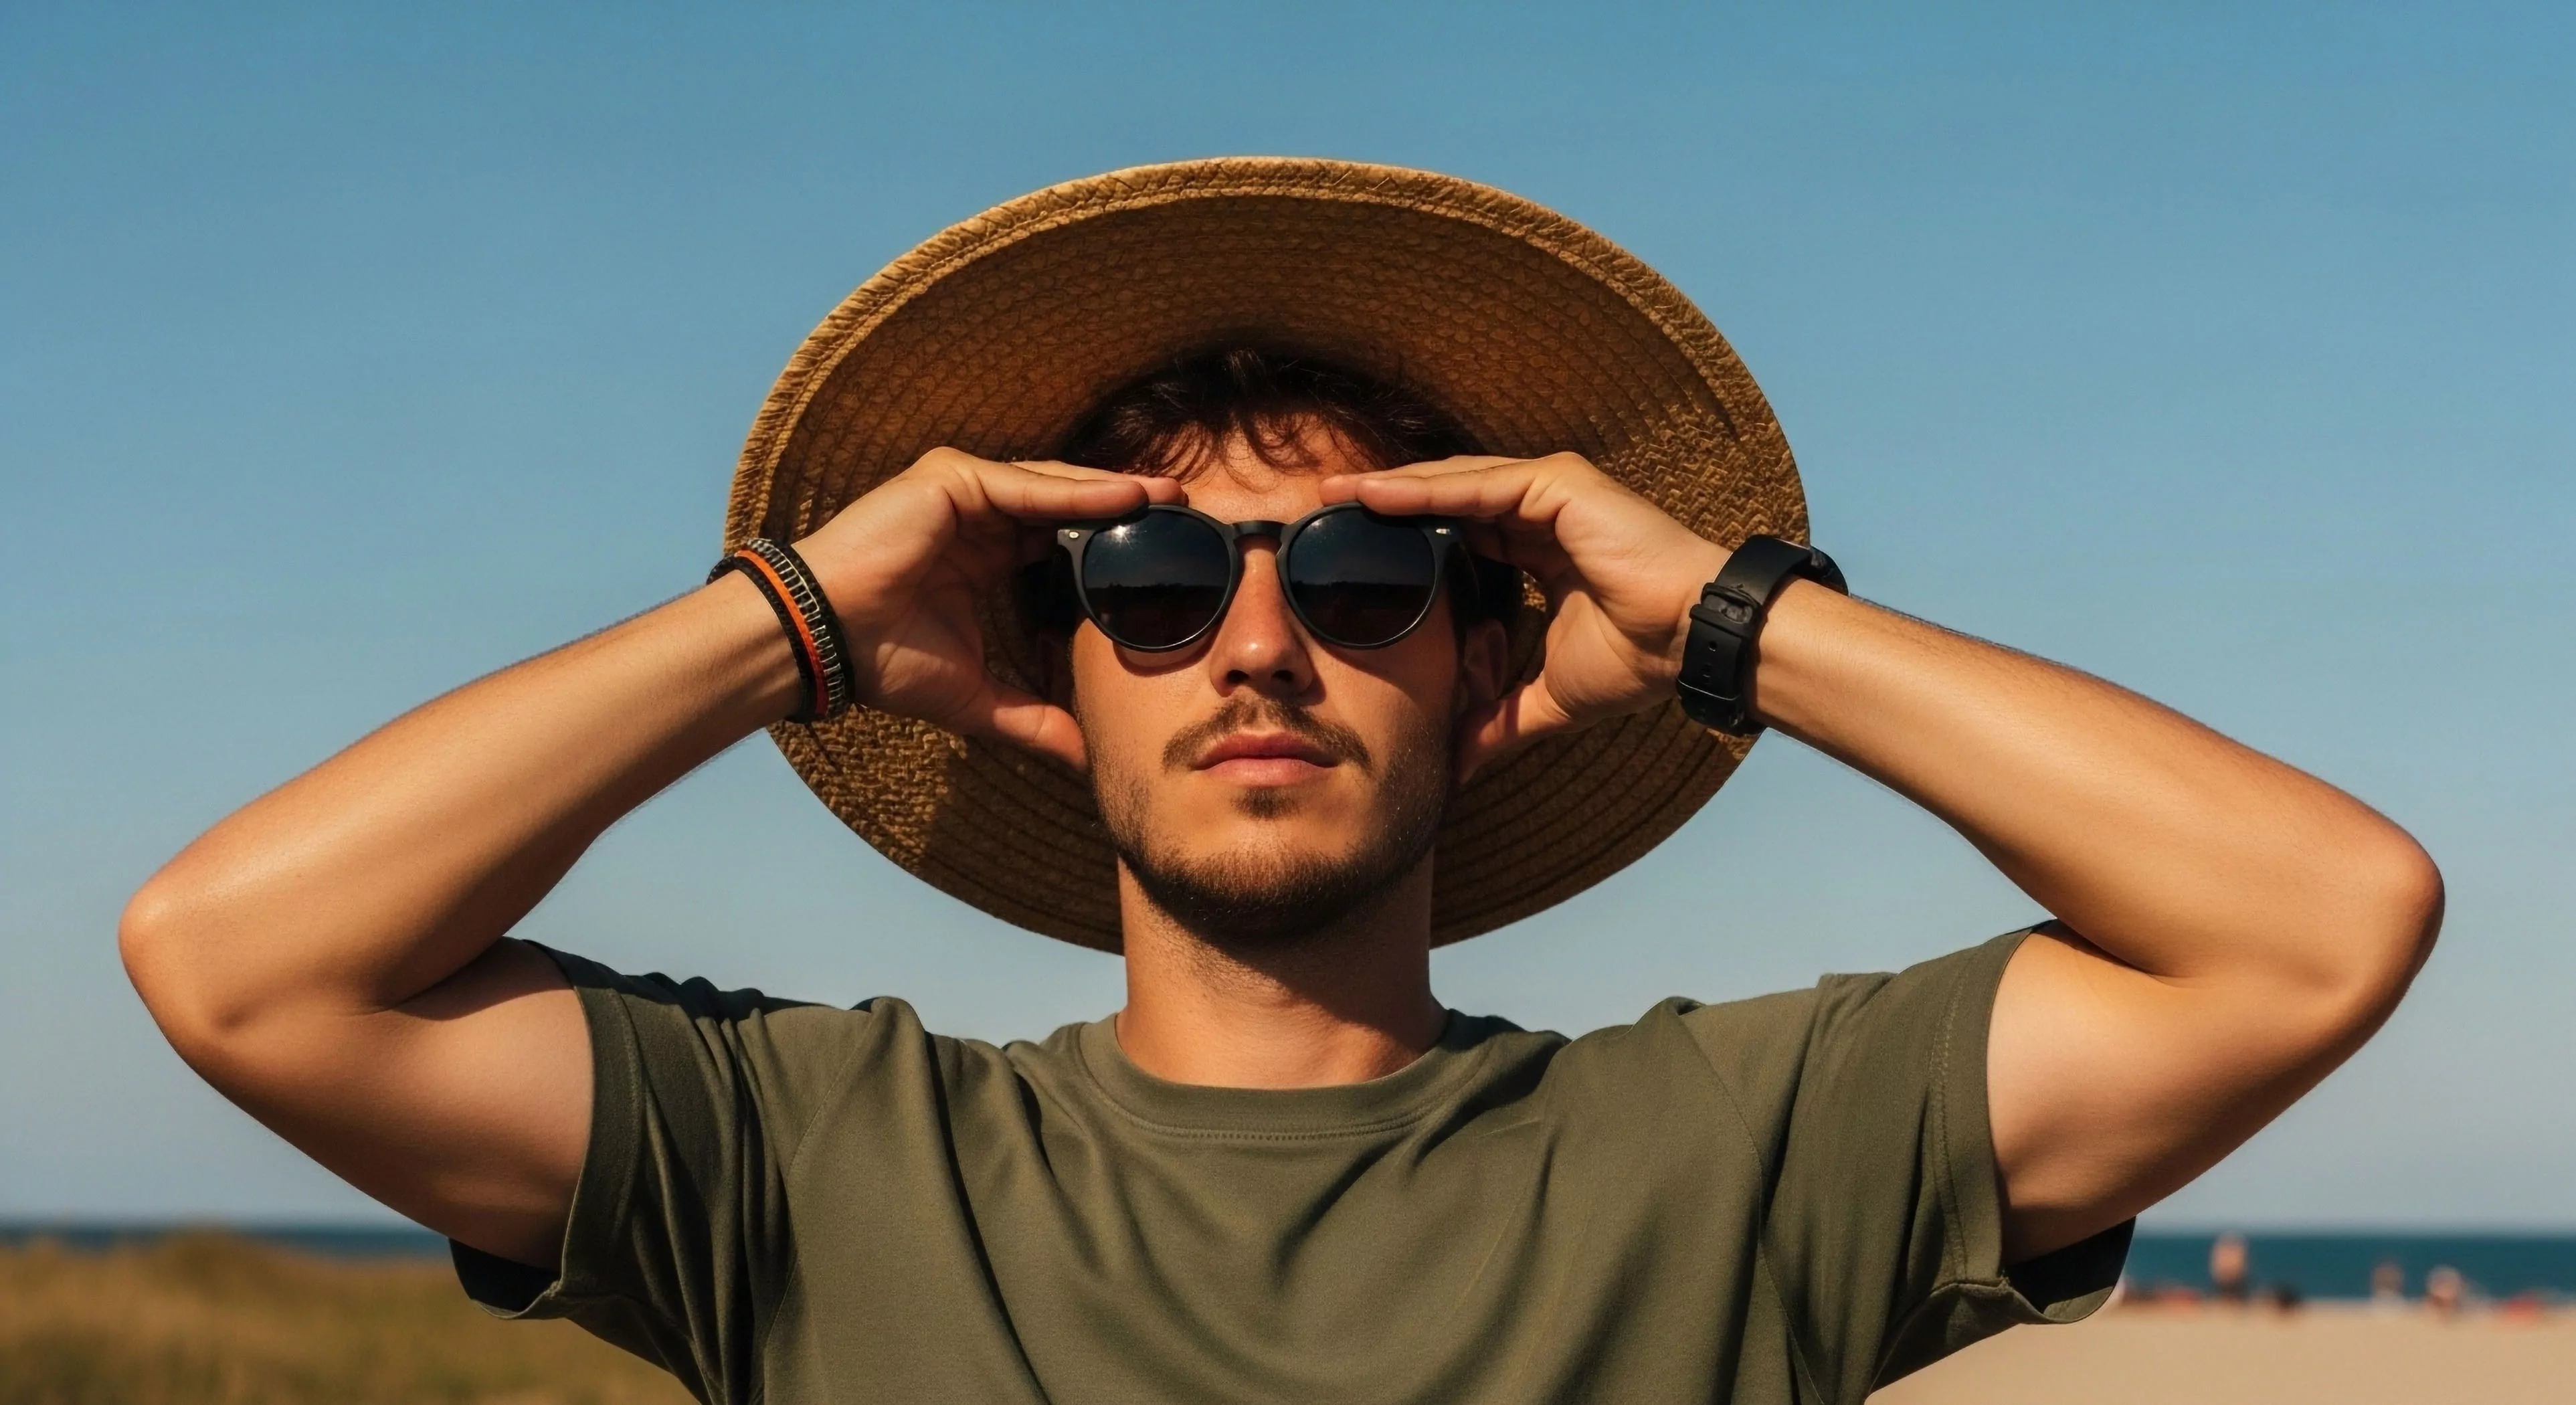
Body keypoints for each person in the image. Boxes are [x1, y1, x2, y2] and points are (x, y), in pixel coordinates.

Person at [117, 159, 2443, 1404]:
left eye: (1363, 573)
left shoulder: (1738, 1156)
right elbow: (232, 959)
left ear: (1485, 659)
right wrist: (802, 617)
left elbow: (2323, 916)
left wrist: (1735, 616)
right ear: (1049, 669)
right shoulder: (827, 1163)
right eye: (1136, 576)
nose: (1251, 639)